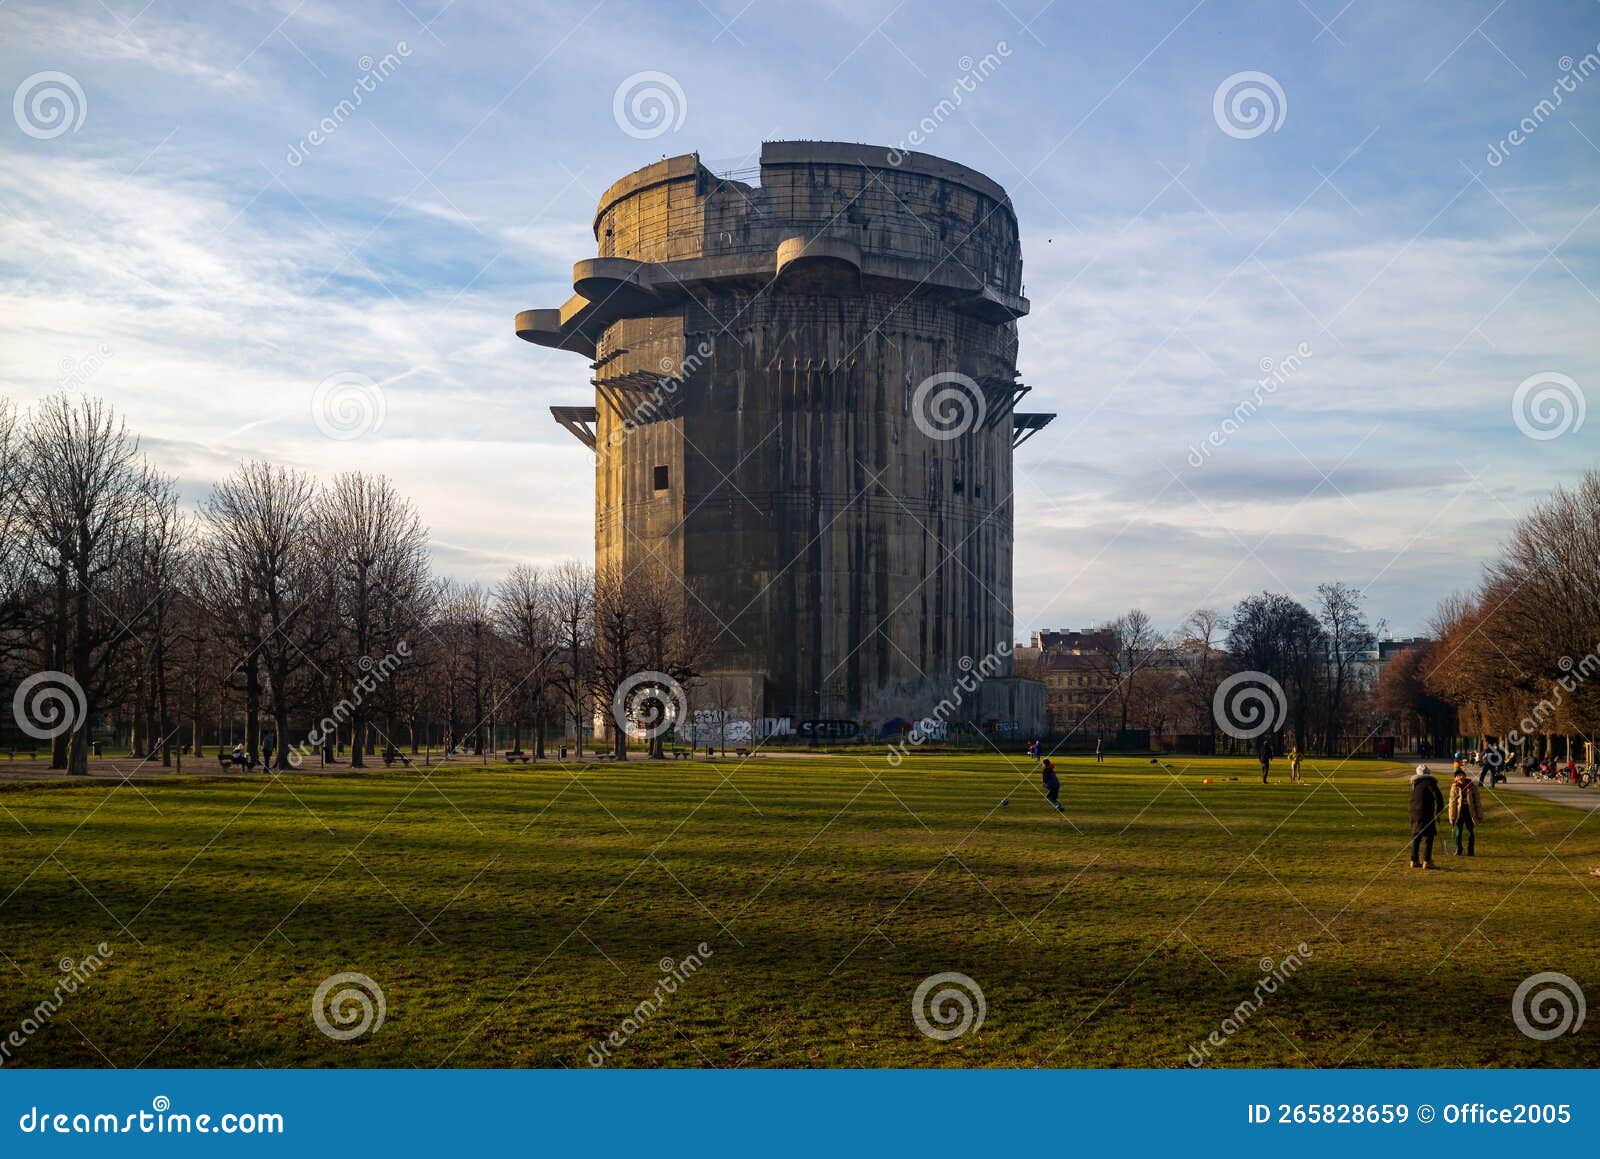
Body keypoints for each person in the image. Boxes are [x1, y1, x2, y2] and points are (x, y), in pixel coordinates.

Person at [1409, 763, 1445, 869]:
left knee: (1416, 836)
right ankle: (1427, 861)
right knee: (1429, 837)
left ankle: (1414, 860)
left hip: (1413, 812)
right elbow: (1438, 798)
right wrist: (1439, 811)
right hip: (1426, 812)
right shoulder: (1430, 783)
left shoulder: (1415, 784)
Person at [1448, 766, 1482, 856]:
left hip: (1469, 812)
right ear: (1455, 778)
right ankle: (1459, 849)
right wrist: (1452, 817)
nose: (1460, 777)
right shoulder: (1454, 787)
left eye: (1461, 775)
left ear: (1465, 776)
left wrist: (1479, 814)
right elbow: (1452, 803)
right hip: (1460, 812)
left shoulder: (1472, 786)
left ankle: (1470, 850)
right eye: (1458, 776)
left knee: (1470, 831)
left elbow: (1477, 801)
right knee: (1458, 832)